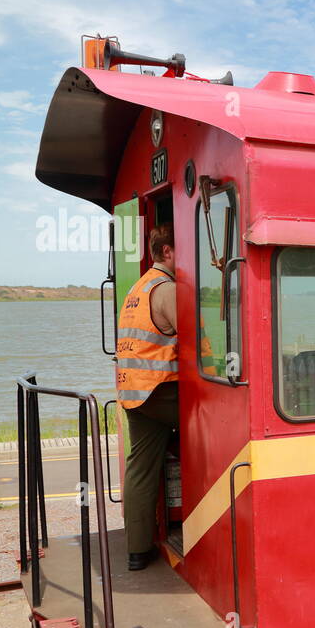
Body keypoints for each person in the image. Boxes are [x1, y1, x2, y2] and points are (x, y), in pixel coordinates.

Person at [117, 223, 180, 570]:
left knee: (140, 469)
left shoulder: (138, 288)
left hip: (135, 391)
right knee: (223, 426)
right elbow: (196, 340)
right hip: (162, 390)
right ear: (167, 252)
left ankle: (138, 550)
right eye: (181, 249)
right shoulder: (166, 288)